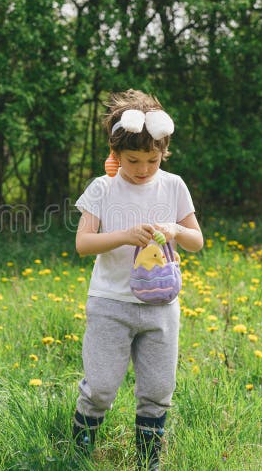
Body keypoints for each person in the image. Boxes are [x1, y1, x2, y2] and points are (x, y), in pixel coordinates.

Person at [72, 89, 204, 470]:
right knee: (99, 388)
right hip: (110, 303)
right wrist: (127, 235)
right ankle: (80, 455)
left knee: (159, 391)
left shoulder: (173, 185)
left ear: (164, 150)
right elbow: (83, 243)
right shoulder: (102, 188)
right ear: (116, 152)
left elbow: (196, 241)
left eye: (153, 158)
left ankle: (149, 463)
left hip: (162, 306)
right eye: (134, 160)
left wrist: (175, 230)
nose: (144, 168)